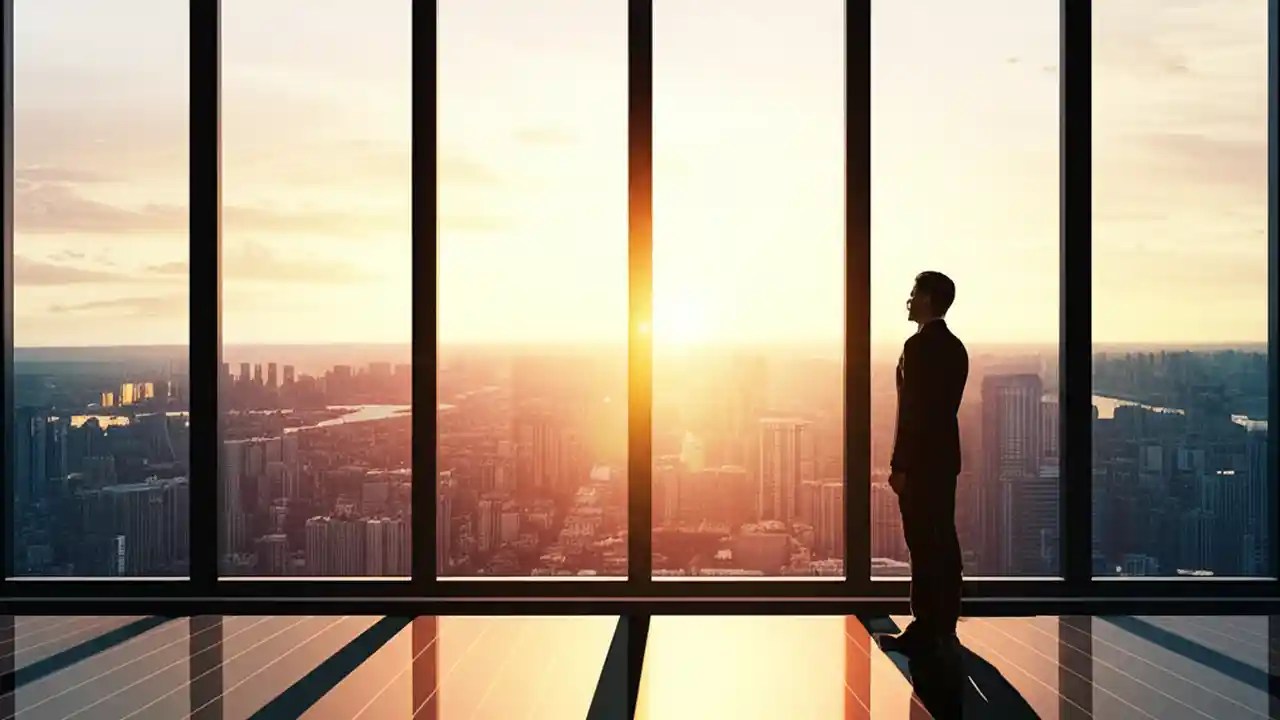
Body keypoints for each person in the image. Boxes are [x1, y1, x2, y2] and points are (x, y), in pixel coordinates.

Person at [880, 271, 969, 656]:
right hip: (945, 459)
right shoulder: (956, 348)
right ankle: (944, 623)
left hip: (919, 463)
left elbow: (912, 411)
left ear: (929, 299)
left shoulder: (917, 347)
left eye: (915, 293)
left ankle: (925, 624)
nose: (910, 299)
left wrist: (899, 464)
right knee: (943, 537)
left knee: (921, 542)